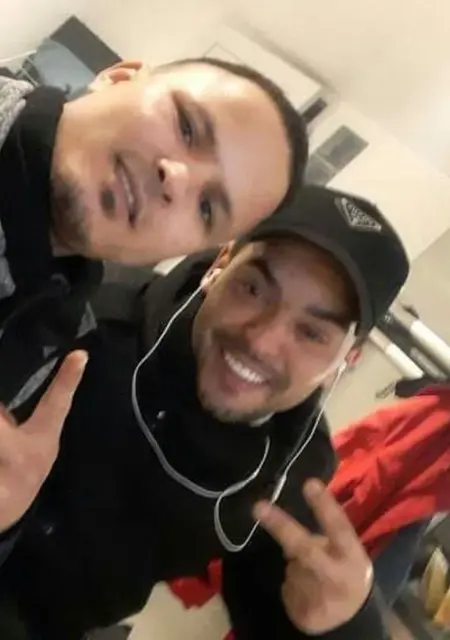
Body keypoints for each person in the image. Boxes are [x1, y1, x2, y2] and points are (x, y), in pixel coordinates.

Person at [0, 185, 409, 639]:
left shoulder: (289, 473)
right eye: (253, 289)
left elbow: (277, 615)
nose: (261, 342)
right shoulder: (88, 310)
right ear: (219, 265)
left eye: (311, 333)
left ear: (348, 359)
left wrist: (348, 625)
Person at [0, 56, 306, 412]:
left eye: (207, 208)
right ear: (118, 78)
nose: (175, 179)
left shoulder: (53, 334)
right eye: (187, 127)